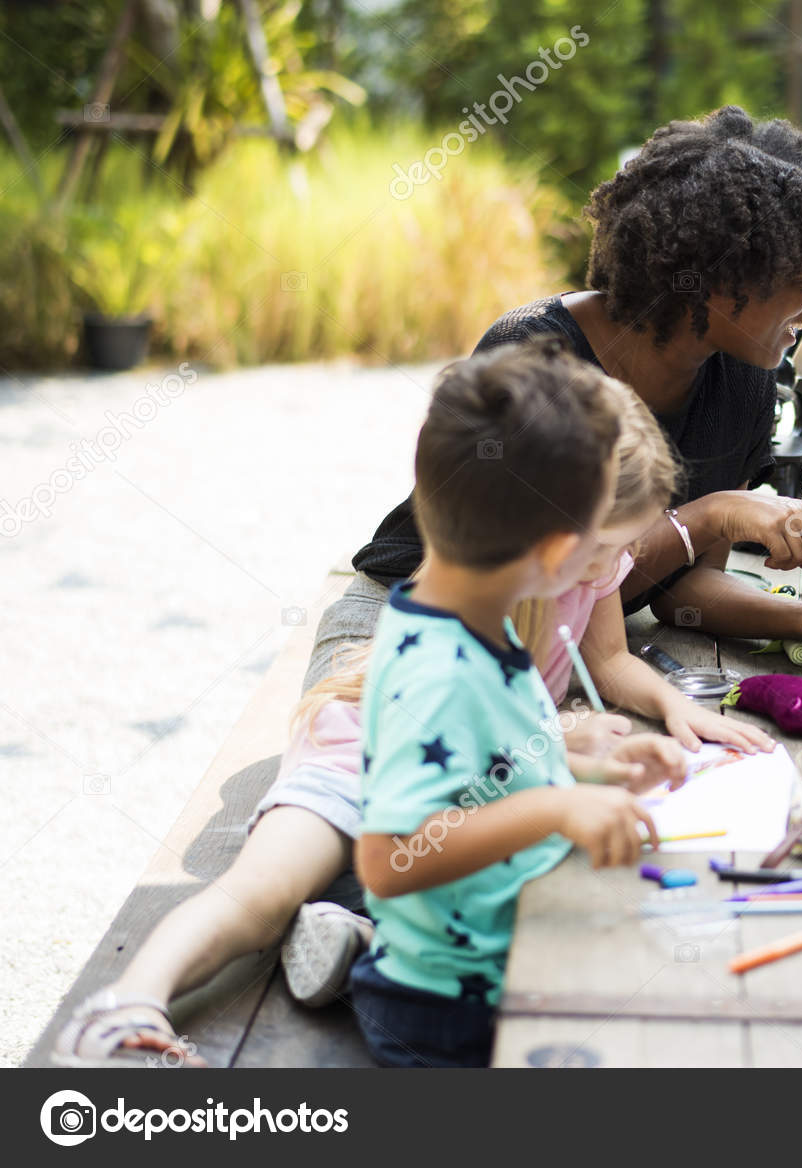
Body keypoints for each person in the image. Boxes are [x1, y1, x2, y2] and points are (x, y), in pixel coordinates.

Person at [52, 342, 687, 1066]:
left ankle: (363, 950)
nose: (610, 564)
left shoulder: (478, 625)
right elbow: (388, 860)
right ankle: (151, 1005)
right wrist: (556, 810)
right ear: (552, 554)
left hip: (480, 962)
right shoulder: (443, 668)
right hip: (447, 1014)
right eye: (599, 534)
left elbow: (495, 768)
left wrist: (593, 774)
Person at [321, 105, 802, 692]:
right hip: (405, 631)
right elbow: (530, 584)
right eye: (801, 279)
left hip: (571, 657)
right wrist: (711, 514)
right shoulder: (539, 359)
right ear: (717, 281)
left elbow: (681, 590)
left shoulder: (742, 377)